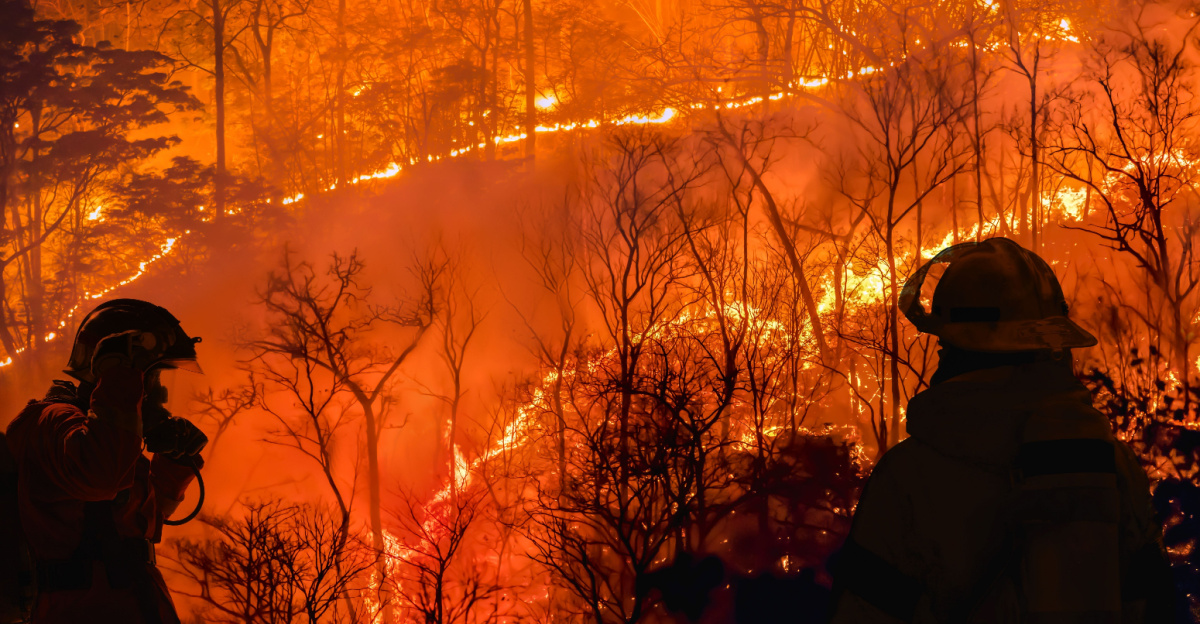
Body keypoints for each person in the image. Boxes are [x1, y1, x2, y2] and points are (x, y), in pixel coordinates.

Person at [828, 238, 1174, 623]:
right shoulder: (1113, 466)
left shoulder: (906, 478)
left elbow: (860, 613)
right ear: (1052, 346)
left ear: (954, 349)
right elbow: (1157, 607)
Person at [5, 299, 208, 624]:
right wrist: (121, 382)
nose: (160, 393)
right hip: (85, 610)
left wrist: (176, 461)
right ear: (113, 368)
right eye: (152, 377)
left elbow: (133, 524)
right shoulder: (54, 421)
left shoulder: (101, 433)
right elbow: (100, 481)